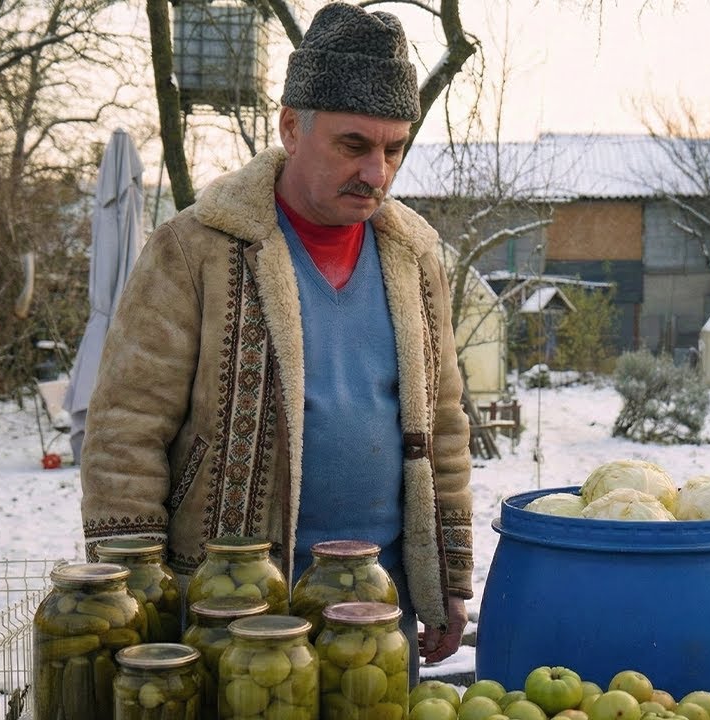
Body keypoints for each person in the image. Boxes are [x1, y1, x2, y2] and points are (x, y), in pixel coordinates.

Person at [78, 1, 473, 673]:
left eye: (393, 149)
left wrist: (450, 578)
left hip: (379, 617)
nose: (377, 172)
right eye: (353, 145)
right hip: (231, 616)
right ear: (292, 127)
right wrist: (133, 595)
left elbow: (444, 426)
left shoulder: (415, 257)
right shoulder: (196, 250)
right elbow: (126, 430)